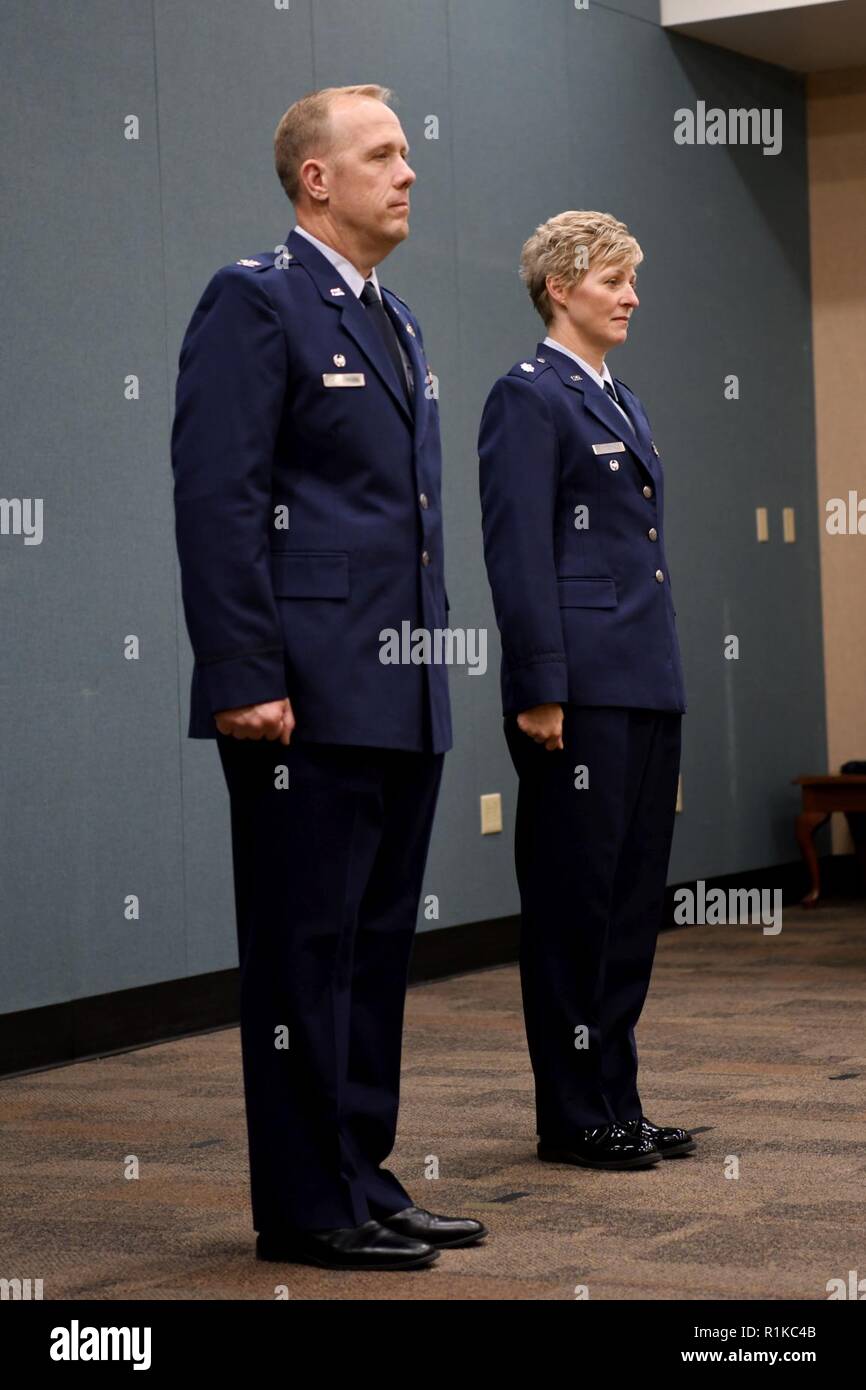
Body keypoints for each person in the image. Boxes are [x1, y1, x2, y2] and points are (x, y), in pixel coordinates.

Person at [171, 83, 485, 1269]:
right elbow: (219, 500)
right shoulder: (257, 300)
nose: (408, 172)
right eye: (385, 154)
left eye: (407, 151)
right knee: (305, 954)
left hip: (398, 691)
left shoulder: (393, 320)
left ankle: (360, 1170)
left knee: (371, 952)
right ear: (317, 177)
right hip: (296, 699)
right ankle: (305, 1205)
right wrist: (242, 673)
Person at [478, 210, 695, 1170]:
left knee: (630, 900)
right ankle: (572, 1114)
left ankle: (618, 1097)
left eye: (632, 279)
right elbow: (517, 550)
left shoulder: (622, 398)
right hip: (577, 693)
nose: (632, 296)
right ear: (561, 287)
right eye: (614, 280)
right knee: (576, 907)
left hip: (645, 683)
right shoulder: (529, 397)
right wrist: (538, 687)